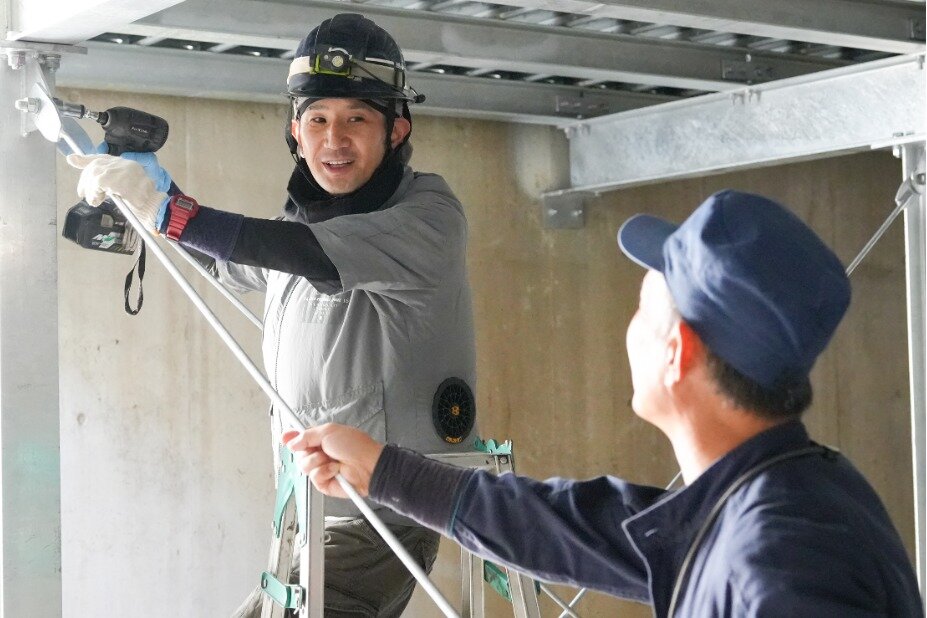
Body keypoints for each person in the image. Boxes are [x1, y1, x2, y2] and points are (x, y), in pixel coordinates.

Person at [283, 190, 924, 616]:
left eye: (643, 307)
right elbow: (580, 528)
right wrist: (383, 470)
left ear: (677, 352)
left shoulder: (780, 565)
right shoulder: (787, 494)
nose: (629, 328)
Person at [68, 13, 478, 617]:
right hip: (308, 516)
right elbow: (237, 260)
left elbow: (304, 254)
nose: (334, 140)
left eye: (357, 119)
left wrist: (166, 212)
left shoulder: (428, 215)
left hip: (381, 516)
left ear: (396, 130)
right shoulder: (302, 226)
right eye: (318, 120)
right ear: (295, 132)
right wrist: (158, 199)